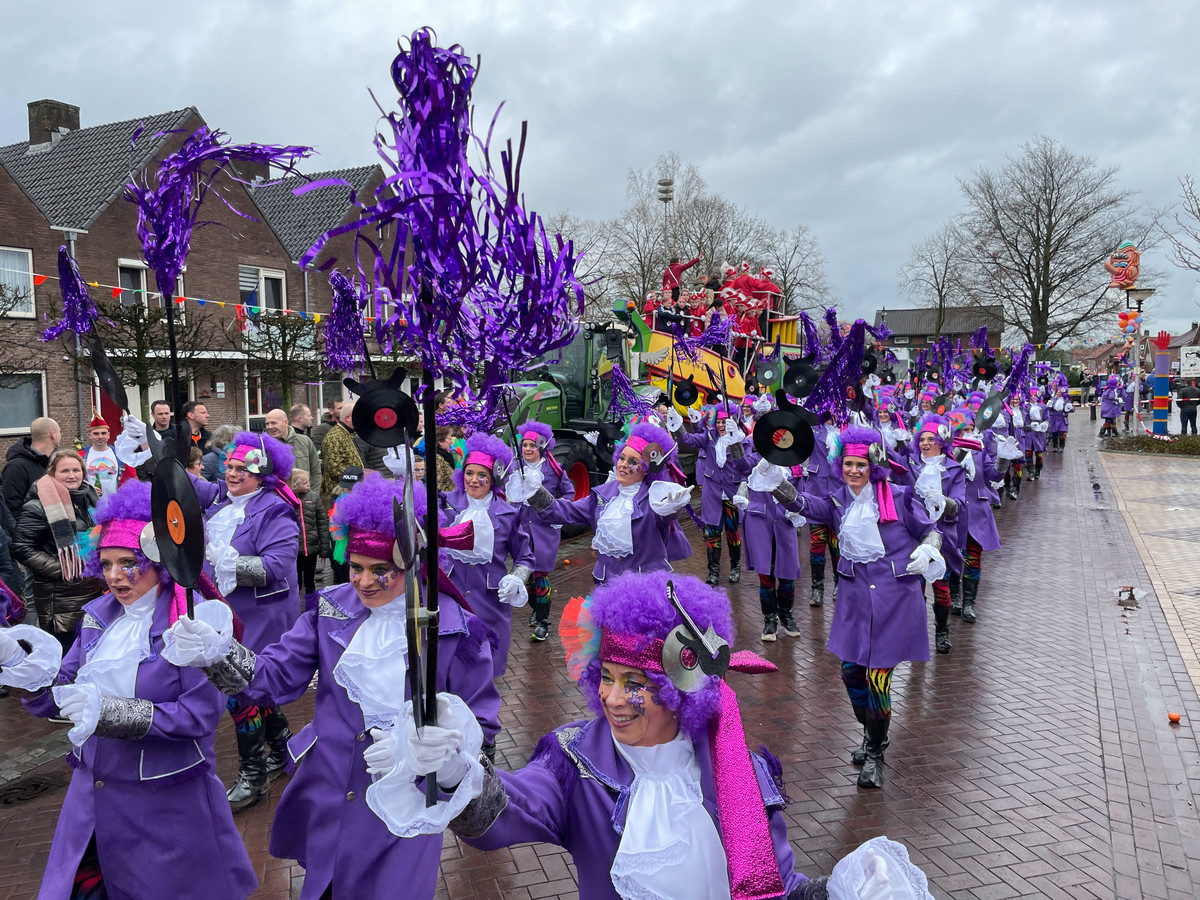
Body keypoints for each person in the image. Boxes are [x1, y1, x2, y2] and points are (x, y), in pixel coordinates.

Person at [398, 571, 934, 899]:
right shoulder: (578, 765)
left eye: (635, 684)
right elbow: (503, 815)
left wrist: (842, 893)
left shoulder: (738, 771)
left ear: (680, 690)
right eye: (605, 677)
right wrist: (456, 772)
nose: (611, 698)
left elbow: (775, 889)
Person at [163, 472, 502, 900]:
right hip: (330, 793)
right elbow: (273, 677)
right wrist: (218, 653)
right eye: (356, 567)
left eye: (381, 571)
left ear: (411, 562)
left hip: (406, 805)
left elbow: (482, 728)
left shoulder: (454, 630)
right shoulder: (331, 610)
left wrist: (428, 753)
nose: (362, 582)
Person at [0, 480, 257, 899]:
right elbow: (59, 695)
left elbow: (198, 717)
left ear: (157, 562)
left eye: (128, 563)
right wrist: (19, 662)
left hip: (164, 804)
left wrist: (108, 713)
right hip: (92, 801)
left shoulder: (191, 625)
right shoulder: (98, 618)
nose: (115, 577)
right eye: (106, 564)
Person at [754, 425, 945, 788]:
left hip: (895, 601)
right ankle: (874, 733)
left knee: (878, 680)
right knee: (851, 674)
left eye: (860, 464)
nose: (854, 470)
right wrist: (773, 477)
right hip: (855, 603)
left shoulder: (900, 496)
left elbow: (932, 529)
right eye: (848, 464)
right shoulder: (839, 499)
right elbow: (803, 504)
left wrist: (928, 548)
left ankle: (874, 754)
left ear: (874, 465)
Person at [191, 431, 301, 811]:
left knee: (239, 691)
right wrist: (144, 447)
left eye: (242, 469)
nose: (233, 475)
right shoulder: (221, 499)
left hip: (260, 617)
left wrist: (229, 562)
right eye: (230, 467)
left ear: (262, 475)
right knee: (252, 689)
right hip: (224, 613)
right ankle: (286, 744)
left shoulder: (276, 510)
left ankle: (253, 774)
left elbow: (276, 567)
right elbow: (179, 479)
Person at [508, 421, 694, 585]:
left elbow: (664, 518)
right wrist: (535, 491)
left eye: (632, 462)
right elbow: (563, 512)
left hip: (645, 589)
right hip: (607, 589)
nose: (623, 465)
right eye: (622, 458)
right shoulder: (602, 496)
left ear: (646, 468)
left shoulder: (654, 498)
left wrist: (670, 511)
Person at [440, 433, 534, 679]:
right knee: (450, 671)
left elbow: (525, 557)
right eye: (469, 473)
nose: (474, 480)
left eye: (482, 475)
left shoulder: (509, 513)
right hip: (451, 600)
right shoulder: (445, 505)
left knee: (485, 674)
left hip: (491, 604)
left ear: (493, 479)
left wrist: (517, 579)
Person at [13, 449, 105, 654]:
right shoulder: (37, 506)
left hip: (93, 588)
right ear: (52, 473)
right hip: (62, 596)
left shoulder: (89, 498)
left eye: (76, 470)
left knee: (91, 651)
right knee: (66, 656)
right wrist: (62, 569)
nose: (72, 475)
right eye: (64, 471)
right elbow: (22, 548)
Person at [508, 421, 574, 643]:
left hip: (545, 530)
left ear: (542, 447)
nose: (527, 449)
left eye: (532, 445)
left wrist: (558, 513)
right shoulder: (516, 469)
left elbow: (569, 493)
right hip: (521, 530)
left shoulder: (554, 470)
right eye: (524, 445)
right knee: (525, 577)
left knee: (540, 574)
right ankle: (537, 610)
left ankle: (542, 623)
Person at [669, 400, 748, 585]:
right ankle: (713, 572)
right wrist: (678, 425)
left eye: (724, 421)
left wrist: (743, 488)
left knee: (732, 533)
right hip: (712, 492)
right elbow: (688, 440)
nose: (721, 425)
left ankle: (735, 568)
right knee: (712, 532)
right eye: (718, 421)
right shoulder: (709, 436)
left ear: (733, 420)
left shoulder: (741, 439)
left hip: (731, 493)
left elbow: (747, 466)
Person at [911, 414, 967, 653]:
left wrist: (944, 501)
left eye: (930, 439)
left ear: (941, 442)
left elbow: (961, 505)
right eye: (921, 439)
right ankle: (917, 634)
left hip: (943, 535)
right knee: (916, 587)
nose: (925, 443)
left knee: (942, 589)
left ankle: (942, 633)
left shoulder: (954, 470)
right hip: (915, 534)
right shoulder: (912, 467)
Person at [320, 402, 364, 585]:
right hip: (338, 497)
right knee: (339, 544)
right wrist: (359, 477)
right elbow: (334, 468)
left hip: (352, 495)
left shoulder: (349, 435)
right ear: (348, 418)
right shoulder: (334, 437)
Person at [2, 416, 60, 518]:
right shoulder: (16, 467)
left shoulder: (55, 462)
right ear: (53, 434)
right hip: (30, 530)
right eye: (59, 431)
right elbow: (11, 505)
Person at [289, 467, 329, 611]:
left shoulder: (314, 497)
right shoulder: (286, 499)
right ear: (295, 485)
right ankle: (295, 608)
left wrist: (325, 548)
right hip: (294, 550)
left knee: (311, 581)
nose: (309, 485)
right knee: (296, 581)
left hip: (311, 549)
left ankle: (311, 608)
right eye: (305, 483)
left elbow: (322, 523)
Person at [266, 407, 322, 489]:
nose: (269, 427)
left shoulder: (305, 441)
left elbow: (316, 472)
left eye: (273, 423)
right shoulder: (264, 446)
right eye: (267, 424)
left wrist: (313, 495)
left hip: (305, 498)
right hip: (278, 498)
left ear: (285, 422)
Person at [80, 413, 131, 497]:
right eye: (96, 434)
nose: (100, 436)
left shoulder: (121, 455)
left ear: (108, 435)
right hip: (90, 505)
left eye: (103, 433)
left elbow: (132, 479)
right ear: (90, 436)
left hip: (115, 504)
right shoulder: (80, 455)